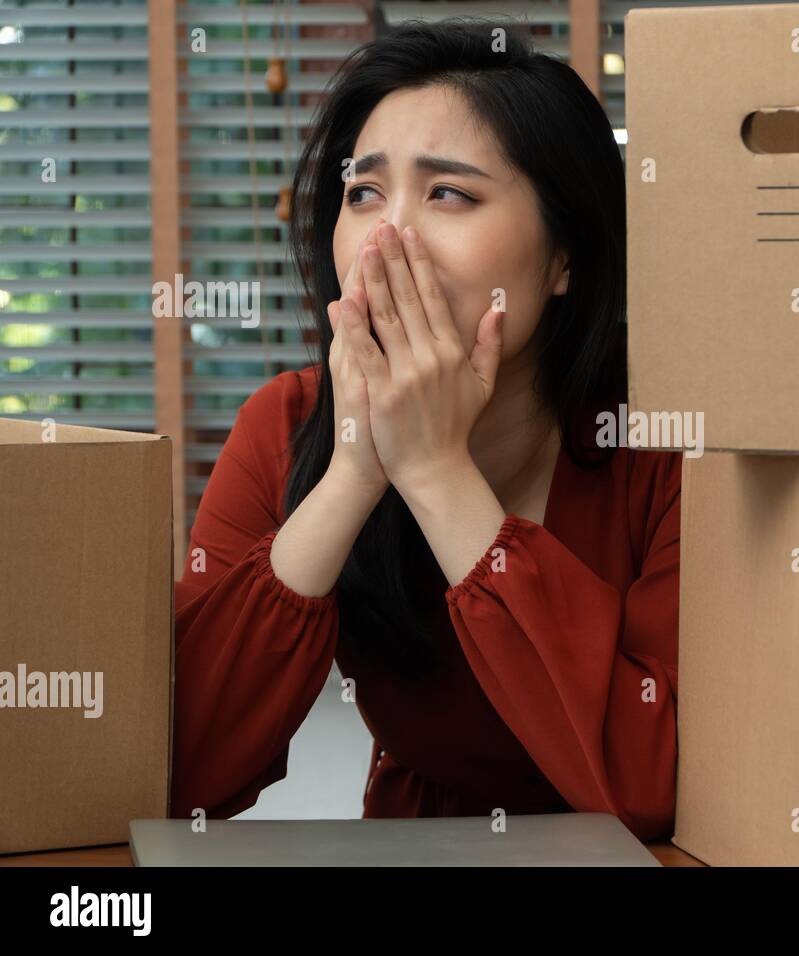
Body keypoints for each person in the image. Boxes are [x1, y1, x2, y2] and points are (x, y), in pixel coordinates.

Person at [170, 19, 680, 842]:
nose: (385, 239)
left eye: (449, 194)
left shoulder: (661, 442)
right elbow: (174, 772)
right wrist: (350, 473)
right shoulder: (285, 424)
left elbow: (654, 787)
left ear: (565, 258)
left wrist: (438, 469)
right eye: (363, 194)